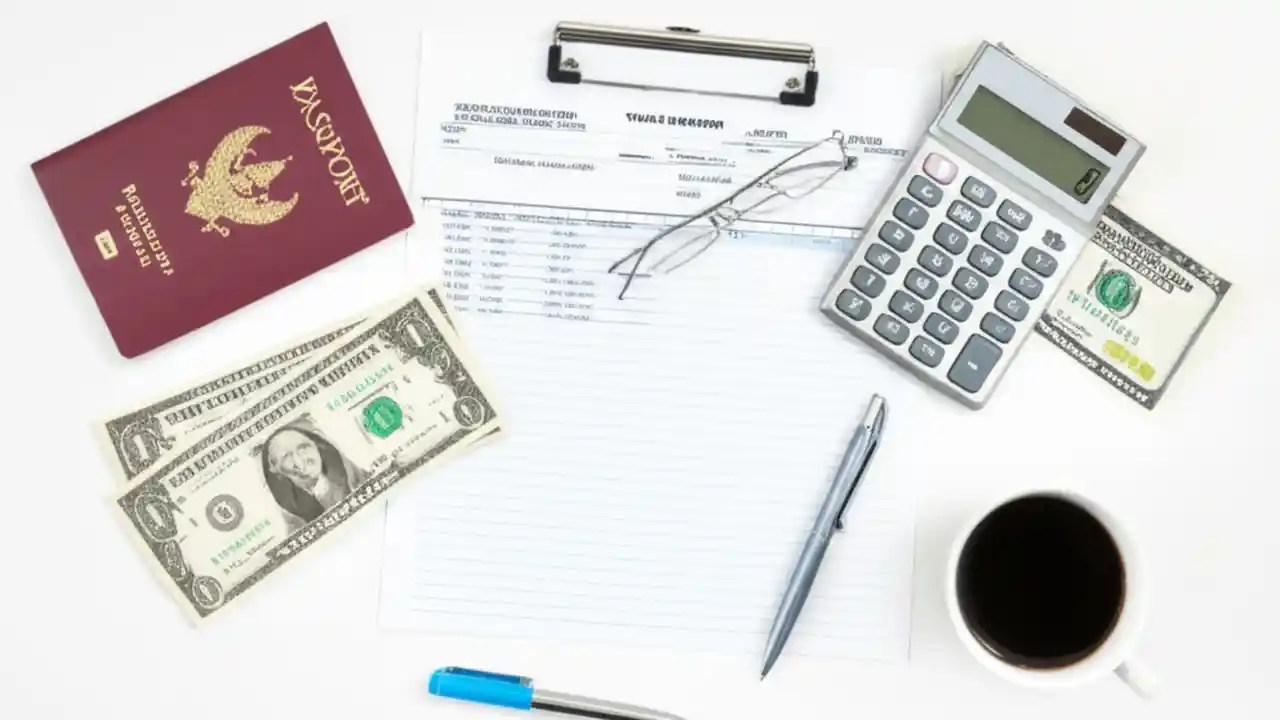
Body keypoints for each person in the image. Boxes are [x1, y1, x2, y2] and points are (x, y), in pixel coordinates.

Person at [260, 419, 367, 532]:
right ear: (275, 469)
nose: (299, 461)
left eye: (303, 448)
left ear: (317, 447)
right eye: (286, 456)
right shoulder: (293, 522)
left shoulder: (357, 479)